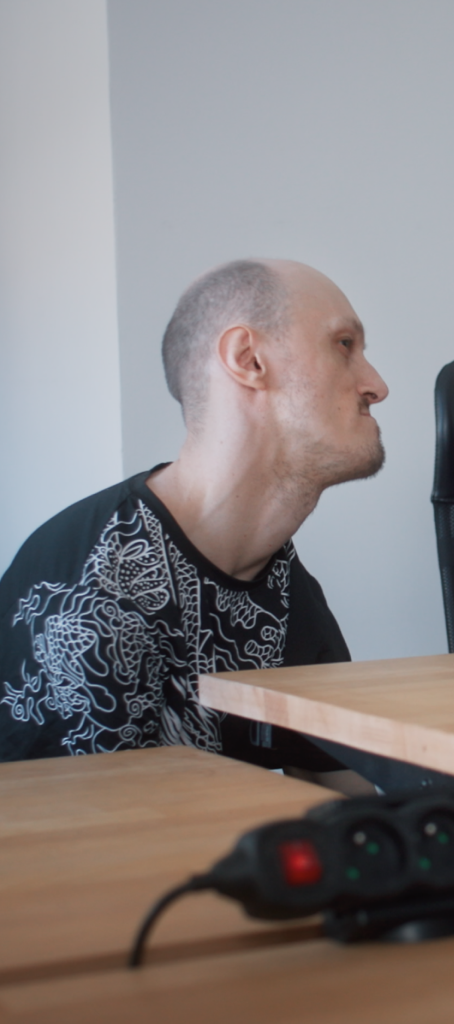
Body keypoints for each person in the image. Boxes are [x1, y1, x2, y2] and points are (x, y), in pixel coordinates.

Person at [0, 259, 387, 770]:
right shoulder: (96, 596)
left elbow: (334, 783)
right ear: (248, 360)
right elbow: (103, 837)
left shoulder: (277, 575)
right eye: (344, 345)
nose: (376, 385)